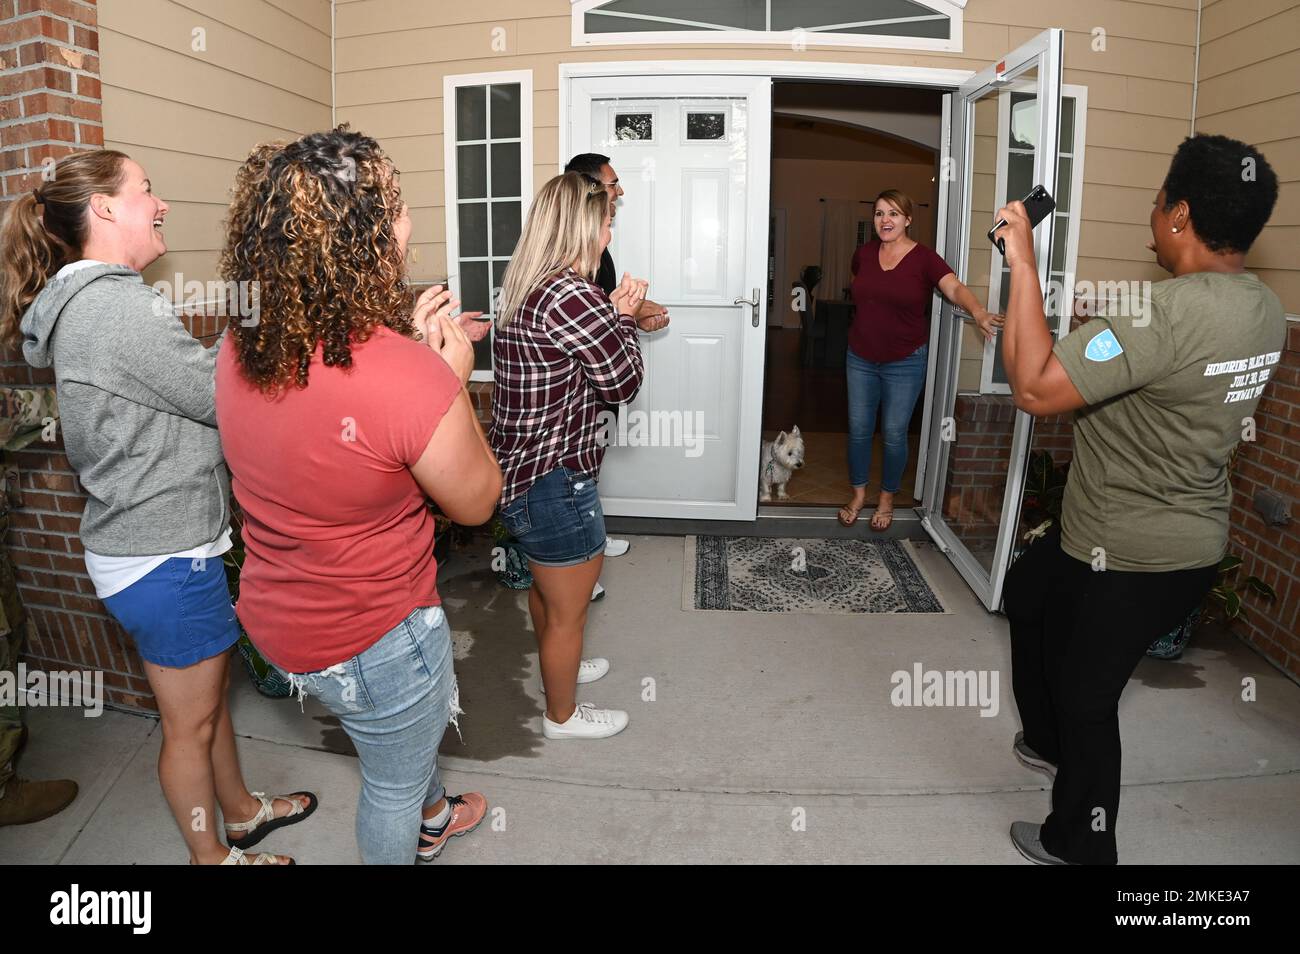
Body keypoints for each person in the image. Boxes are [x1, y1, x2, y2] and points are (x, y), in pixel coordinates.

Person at [1, 150, 313, 864]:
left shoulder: (99, 299)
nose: (161, 203)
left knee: (206, 702)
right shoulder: (113, 305)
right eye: (146, 190)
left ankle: (239, 811)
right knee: (189, 728)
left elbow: (173, 387)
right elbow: (214, 395)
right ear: (106, 209)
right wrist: (266, 319)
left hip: (160, 544)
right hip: (161, 553)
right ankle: (215, 857)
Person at [215, 128, 501, 864]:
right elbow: (477, 503)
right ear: (363, 236)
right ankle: (419, 818)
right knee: (390, 789)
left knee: (394, 750)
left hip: (281, 622)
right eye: (397, 205)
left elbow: (330, 415)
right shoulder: (408, 379)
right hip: (376, 635)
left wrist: (402, 346)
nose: (408, 222)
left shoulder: (241, 343)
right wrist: (449, 378)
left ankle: (436, 816)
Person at [998, 133, 1283, 865]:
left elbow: (1034, 388)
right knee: (1030, 591)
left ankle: (1081, 844)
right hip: (1181, 545)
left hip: (1128, 556)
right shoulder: (1262, 309)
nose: (1150, 215)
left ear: (1181, 214)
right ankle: (1047, 738)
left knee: (1088, 699)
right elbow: (1157, 371)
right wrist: (1106, 334)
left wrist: (1022, 263)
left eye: (1158, 202)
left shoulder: (1161, 315)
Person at [492, 172, 657, 740]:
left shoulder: (527, 286)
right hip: (558, 479)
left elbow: (574, 355)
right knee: (570, 610)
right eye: (606, 220)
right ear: (581, 226)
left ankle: (557, 665)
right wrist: (627, 319)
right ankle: (561, 715)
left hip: (519, 473)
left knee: (545, 589)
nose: (610, 231)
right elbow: (621, 383)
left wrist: (609, 313)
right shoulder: (574, 296)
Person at [838, 189, 1003, 531]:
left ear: (908, 220)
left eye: (894, 213)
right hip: (860, 357)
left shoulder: (925, 259)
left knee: (895, 433)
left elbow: (954, 288)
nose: (886, 220)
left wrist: (978, 311)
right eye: (880, 213)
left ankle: (886, 498)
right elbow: (864, 290)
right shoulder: (864, 254)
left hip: (905, 361)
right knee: (858, 430)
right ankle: (858, 495)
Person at [562, 153, 670, 596]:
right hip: (582, 386)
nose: (620, 191)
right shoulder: (574, 255)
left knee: (591, 462)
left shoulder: (596, 246)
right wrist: (631, 314)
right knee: (575, 471)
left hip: (595, 382)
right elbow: (595, 317)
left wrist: (636, 312)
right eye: (613, 183)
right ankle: (575, 563)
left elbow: (604, 306)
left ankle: (591, 537)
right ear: (589, 187)